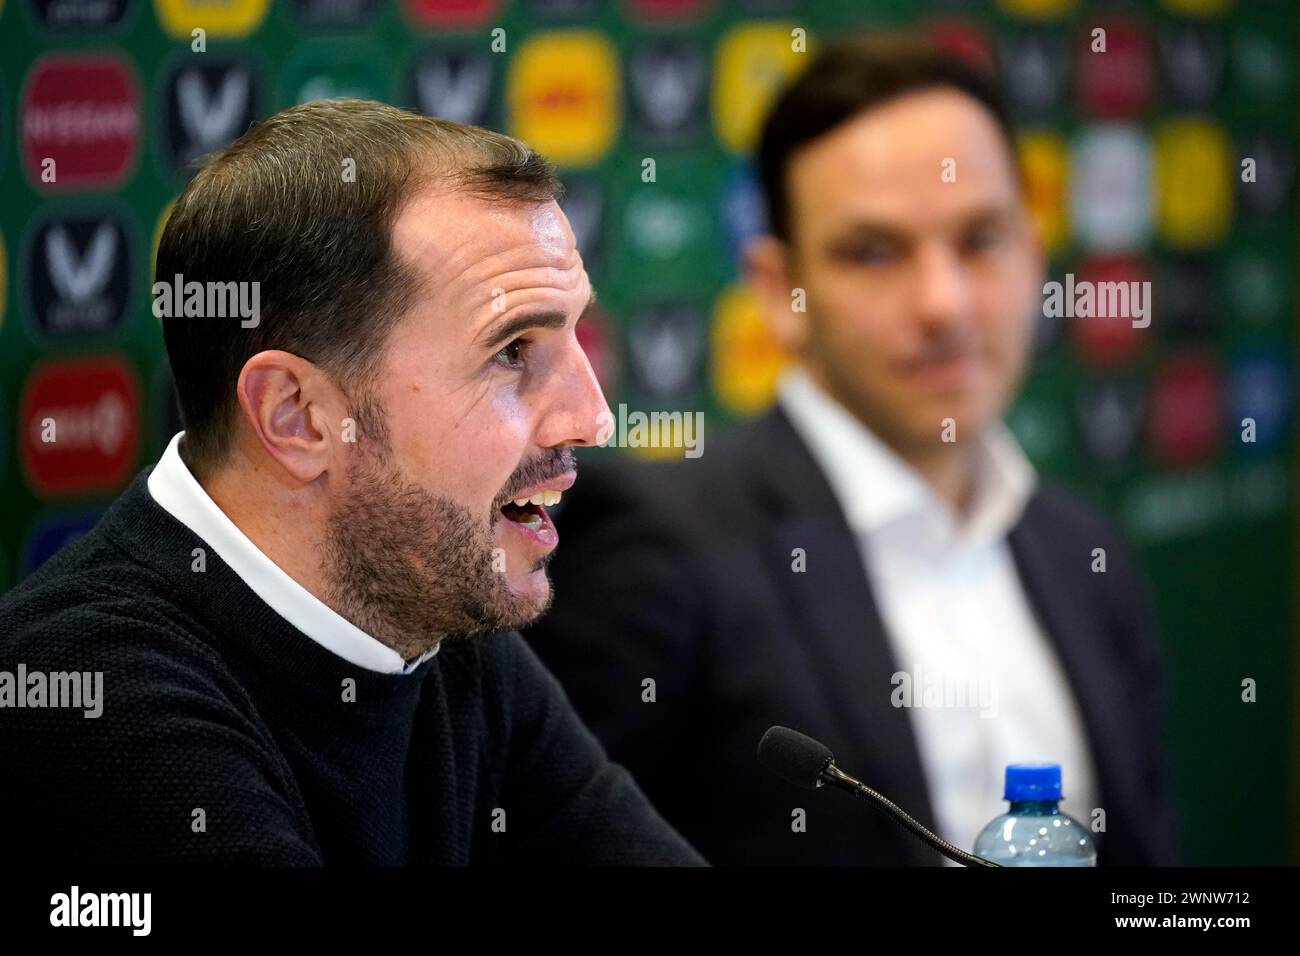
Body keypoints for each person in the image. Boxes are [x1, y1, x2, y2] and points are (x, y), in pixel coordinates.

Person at [528, 36, 1181, 866]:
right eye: (875, 252)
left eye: (980, 239)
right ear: (779, 292)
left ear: (1033, 253)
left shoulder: (1085, 553)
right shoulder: (658, 549)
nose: (943, 303)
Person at [0, 100, 703, 866]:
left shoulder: (432, 601)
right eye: (511, 352)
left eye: (574, 335)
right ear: (297, 416)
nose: (593, 419)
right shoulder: (88, 694)